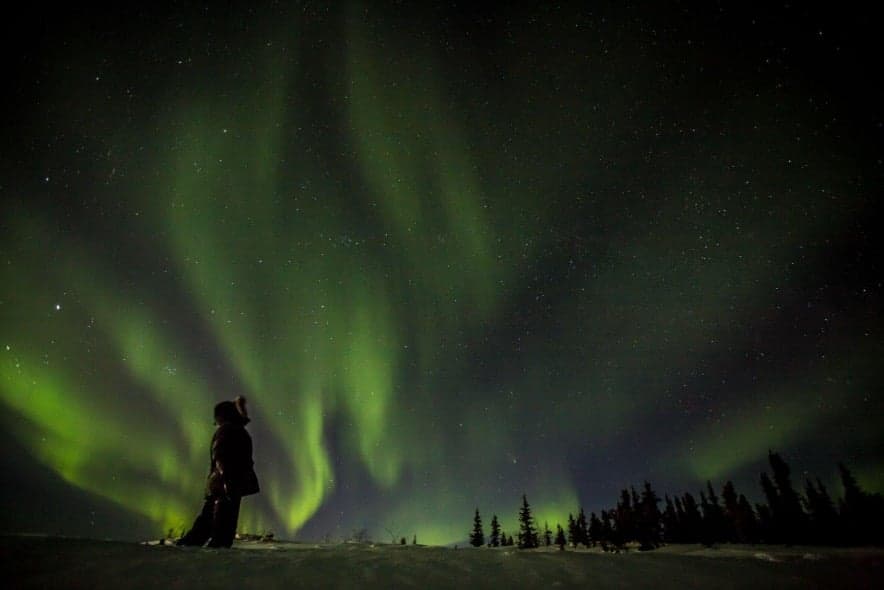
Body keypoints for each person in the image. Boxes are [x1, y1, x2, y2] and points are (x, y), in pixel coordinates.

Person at [177, 396, 260, 548]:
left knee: (214, 518)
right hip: (229, 482)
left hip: (225, 481)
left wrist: (225, 478)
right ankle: (202, 545)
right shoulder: (235, 430)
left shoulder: (227, 430)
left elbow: (221, 456)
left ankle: (193, 543)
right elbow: (223, 457)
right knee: (221, 520)